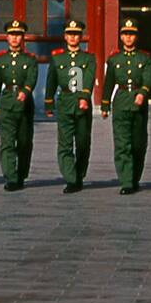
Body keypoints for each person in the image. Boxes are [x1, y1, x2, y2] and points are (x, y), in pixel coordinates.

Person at [100, 18, 151, 194]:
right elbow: (108, 83)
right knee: (123, 144)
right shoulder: (115, 59)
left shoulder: (144, 58)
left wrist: (143, 93)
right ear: (121, 37)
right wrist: (105, 104)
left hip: (139, 103)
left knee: (138, 144)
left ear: (136, 37)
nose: (128, 38)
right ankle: (126, 181)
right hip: (121, 101)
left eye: (131, 34)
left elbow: (149, 77)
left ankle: (135, 176)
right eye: (125, 34)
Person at [45, 19, 97, 193]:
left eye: (76, 34)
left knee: (82, 142)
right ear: (65, 36)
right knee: (65, 143)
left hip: (82, 105)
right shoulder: (58, 57)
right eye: (70, 34)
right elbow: (51, 80)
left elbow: (88, 79)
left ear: (80, 37)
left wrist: (84, 97)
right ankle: (71, 178)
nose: (73, 37)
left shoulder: (88, 58)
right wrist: (48, 102)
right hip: (65, 102)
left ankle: (80, 173)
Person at [0, 19, 38, 191]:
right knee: (7, 142)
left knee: (24, 142)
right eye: (12, 35)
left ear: (23, 38)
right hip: (7, 102)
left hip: (25, 105)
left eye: (18, 35)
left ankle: (22, 174)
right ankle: (10, 177)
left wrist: (26, 90)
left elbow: (32, 77)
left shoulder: (30, 59)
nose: (15, 39)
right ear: (7, 37)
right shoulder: (1, 60)